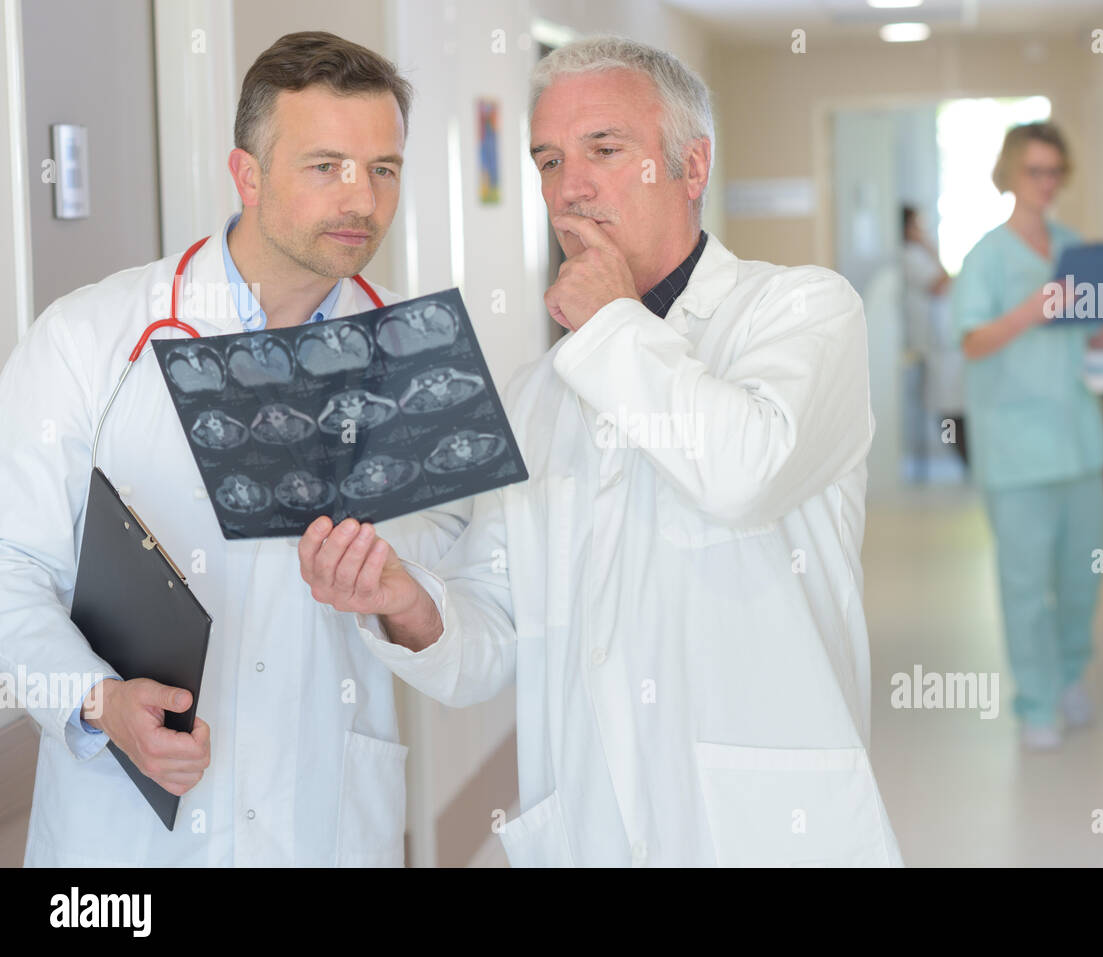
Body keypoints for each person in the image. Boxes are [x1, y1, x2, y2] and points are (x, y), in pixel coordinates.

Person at [300, 36, 903, 867]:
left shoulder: (803, 312)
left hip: (765, 831)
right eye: (548, 160)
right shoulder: (539, 392)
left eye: (605, 151)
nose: (569, 186)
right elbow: (495, 633)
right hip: (592, 829)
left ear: (692, 167)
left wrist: (613, 322)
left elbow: (743, 471)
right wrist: (407, 599)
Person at [0, 31, 465, 866]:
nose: (360, 198)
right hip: (126, 843)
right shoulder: (91, 339)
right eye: (326, 166)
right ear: (246, 175)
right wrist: (97, 700)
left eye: (383, 169)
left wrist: (403, 595)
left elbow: (462, 592)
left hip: (325, 818)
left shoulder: (418, 359)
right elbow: (6, 567)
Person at [949, 122, 1103, 751]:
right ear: (1010, 174)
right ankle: (1035, 701)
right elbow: (973, 341)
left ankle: (1071, 674)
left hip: (1079, 443)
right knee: (1025, 585)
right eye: (1035, 171)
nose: (1046, 183)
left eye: (1055, 172)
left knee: (1083, 577)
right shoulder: (987, 257)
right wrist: (1034, 308)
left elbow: (1090, 334)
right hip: (1016, 448)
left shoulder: (1077, 248)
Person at [899, 205, 961, 477]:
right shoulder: (911, 255)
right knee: (945, 407)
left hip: (939, 344)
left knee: (948, 405)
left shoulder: (915, 255)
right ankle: (960, 456)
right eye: (917, 225)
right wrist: (931, 249)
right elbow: (941, 283)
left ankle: (961, 458)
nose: (921, 231)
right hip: (931, 345)